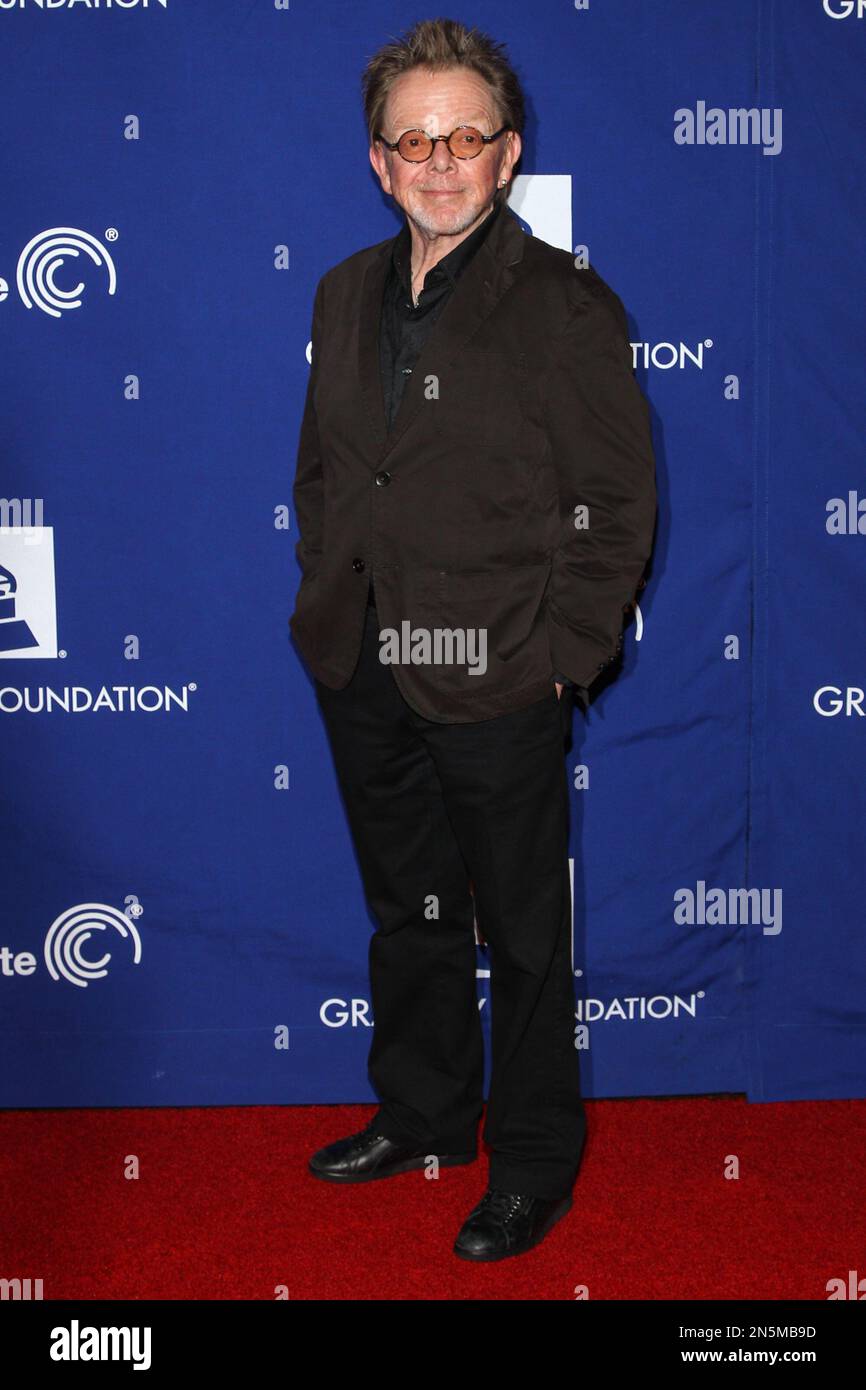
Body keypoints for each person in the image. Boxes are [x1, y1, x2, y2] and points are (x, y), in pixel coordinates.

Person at [289, 17, 657, 1261]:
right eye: (413, 140)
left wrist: (560, 659)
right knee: (410, 910)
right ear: (377, 161)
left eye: (463, 137)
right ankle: (425, 1114)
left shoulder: (564, 305)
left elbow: (615, 505)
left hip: (500, 672)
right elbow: (327, 473)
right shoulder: (343, 292)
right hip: (362, 660)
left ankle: (534, 1163)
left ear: (506, 153)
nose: (437, 162)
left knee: (526, 937)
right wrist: (328, 585)